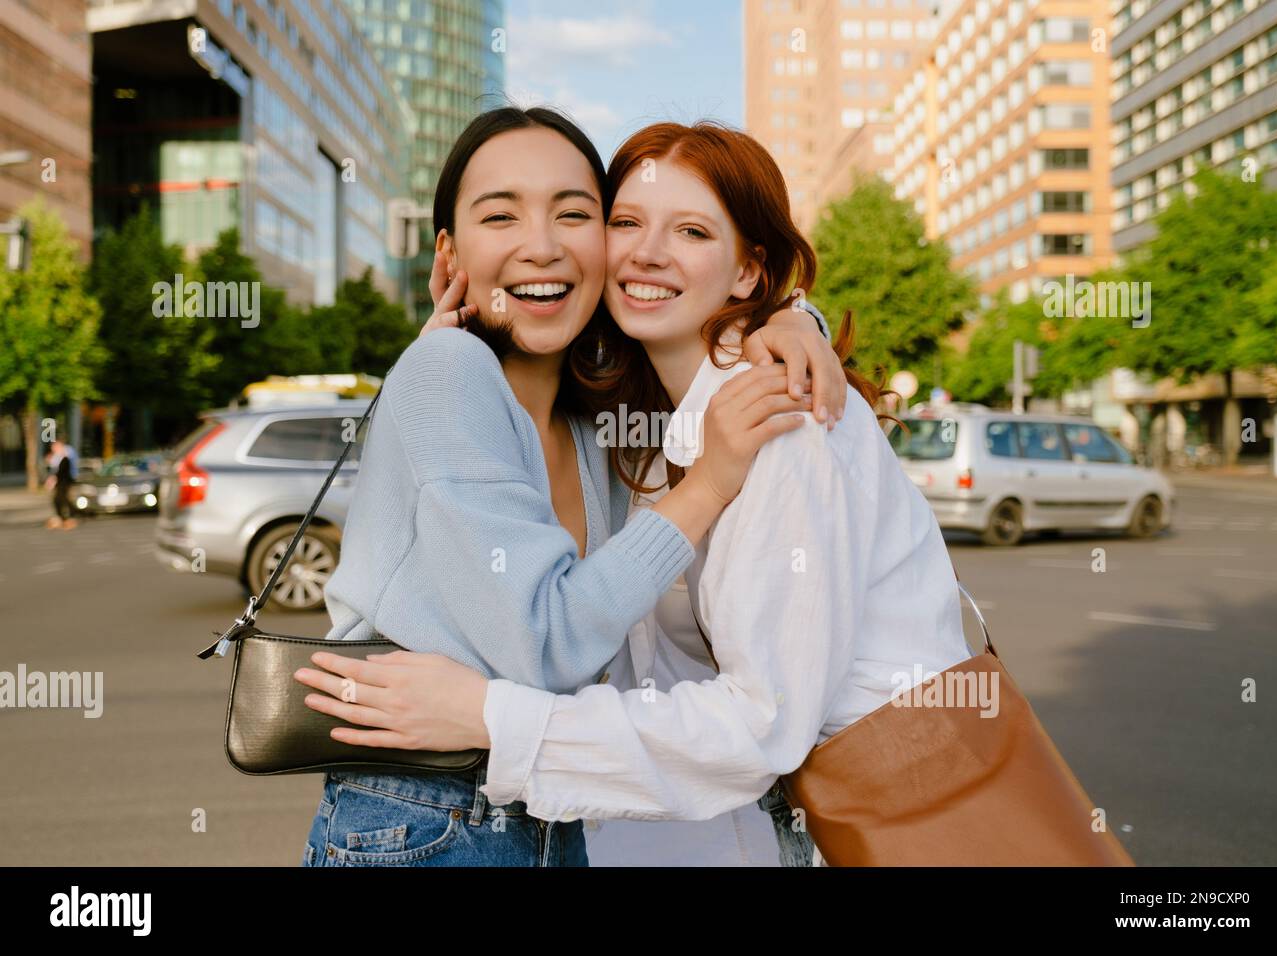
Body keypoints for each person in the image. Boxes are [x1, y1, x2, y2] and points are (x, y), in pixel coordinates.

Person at [298, 121, 974, 867]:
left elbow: (729, 709)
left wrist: (788, 316)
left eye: (577, 214)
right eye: (628, 222)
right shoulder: (476, 380)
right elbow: (554, 642)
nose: (544, 243)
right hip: (426, 819)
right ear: (448, 254)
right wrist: (714, 472)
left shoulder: (640, 426)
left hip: (848, 807)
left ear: (748, 271)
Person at [44, 439, 78, 530]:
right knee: (59, 499)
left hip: (64, 482)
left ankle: (69, 517)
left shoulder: (65, 457)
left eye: (55, 447)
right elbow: (53, 470)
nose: (53, 449)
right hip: (60, 482)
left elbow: (61, 472)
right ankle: (64, 517)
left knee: (61, 499)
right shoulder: (57, 458)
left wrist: (53, 479)